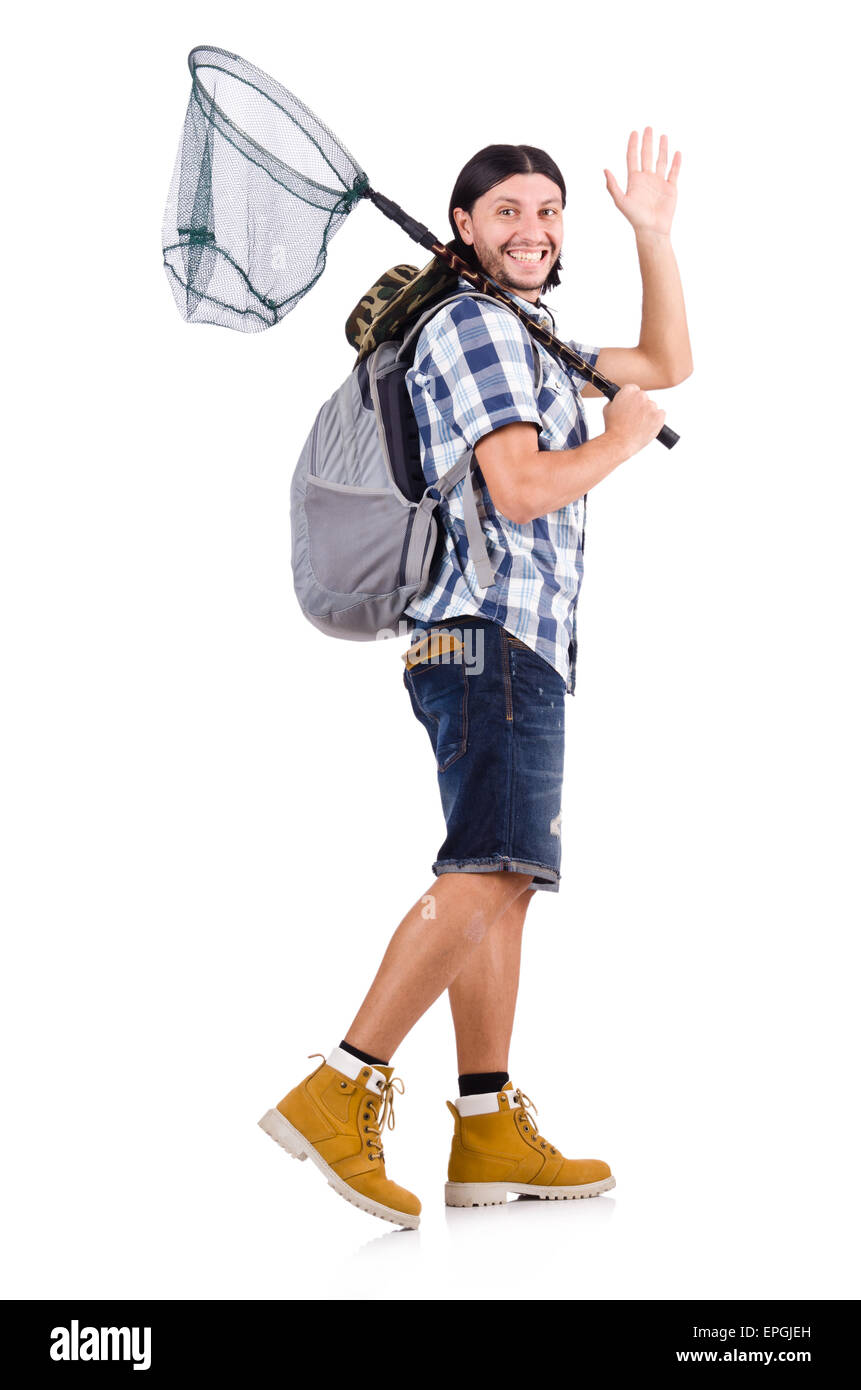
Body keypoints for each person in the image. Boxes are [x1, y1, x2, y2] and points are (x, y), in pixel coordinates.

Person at [259, 130, 693, 1228]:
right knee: (489, 871)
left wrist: (651, 233)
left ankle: (488, 1126)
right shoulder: (476, 327)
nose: (532, 228)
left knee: (502, 884)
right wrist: (621, 443)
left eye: (548, 210)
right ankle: (339, 1085)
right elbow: (522, 488)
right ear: (463, 226)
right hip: (489, 636)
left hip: (504, 644)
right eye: (507, 210)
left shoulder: (525, 331)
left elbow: (664, 362)